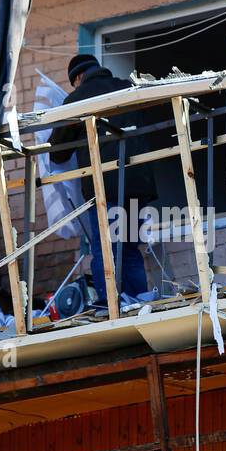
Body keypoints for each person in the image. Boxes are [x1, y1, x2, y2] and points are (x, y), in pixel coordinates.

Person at [56, 54, 157, 304]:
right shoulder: (127, 87)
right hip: (138, 184)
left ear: (78, 77)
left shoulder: (78, 99)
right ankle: (137, 301)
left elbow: (57, 152)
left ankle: (109, 304)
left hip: (105, 189)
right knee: (130, 248)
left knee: (105, 249)